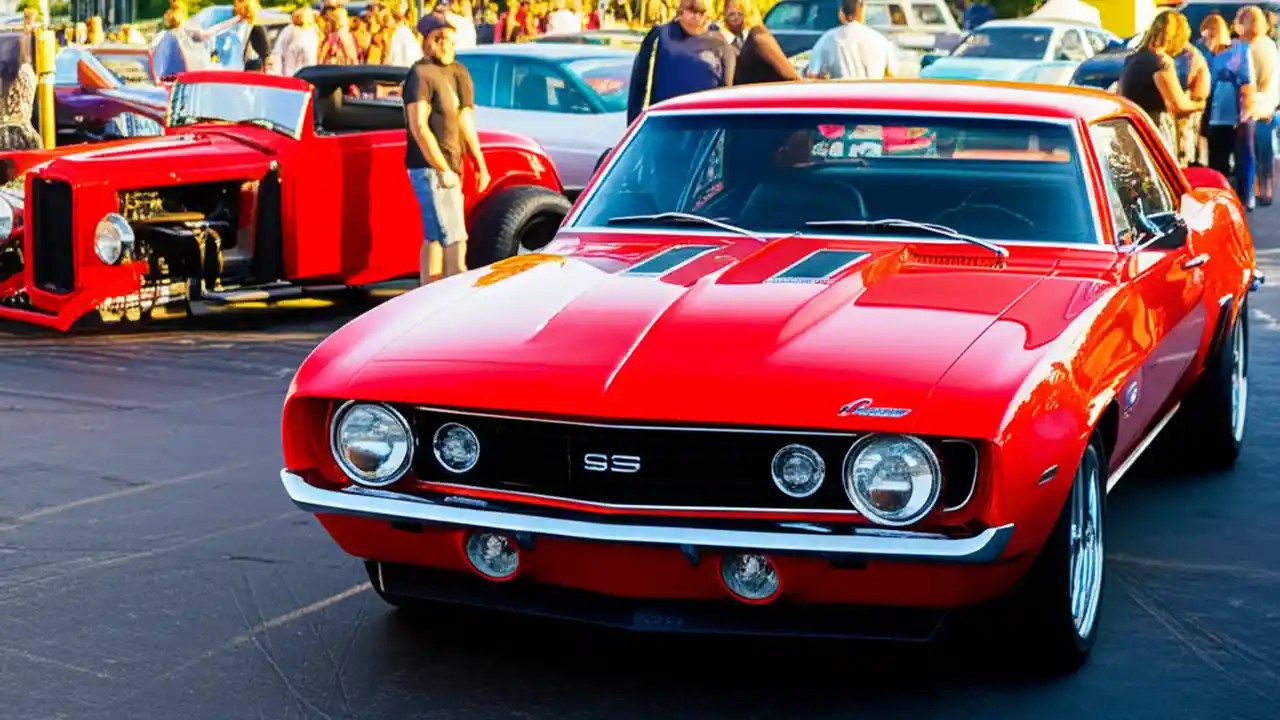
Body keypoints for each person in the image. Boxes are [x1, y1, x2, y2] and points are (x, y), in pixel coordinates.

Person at [403, 13, 490, 284]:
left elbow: (465, 119)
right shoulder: (420, 74)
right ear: (425, 41)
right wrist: (442, 168)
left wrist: (479, 162)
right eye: (438, 38)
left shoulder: (458, 72)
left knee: (435, 234)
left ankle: (429, 292)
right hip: (429, 168)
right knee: (453, 235)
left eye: (449, 38)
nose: (445, 44)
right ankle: (453, 290)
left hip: (454, 163)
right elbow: (418, 126)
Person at [625, 0, 736, 125]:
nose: (696, 18)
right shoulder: (660, 37)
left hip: (706, 128)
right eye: (692, 11)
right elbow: (638, 89)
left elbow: (729, 91)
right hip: (664, 125)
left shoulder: (721, 41)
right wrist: (635, 128)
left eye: (702, 12)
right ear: (681, 10)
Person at [1117, 10, 1204, 155]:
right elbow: (1177, 105)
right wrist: (1199, 104)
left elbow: (1120, 94)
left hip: (1132, 127)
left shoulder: (1132, 59)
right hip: (1154, 128)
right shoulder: (1161, 62)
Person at [1200, 12, 1256, 207]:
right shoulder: (1210, 54)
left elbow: (1246, 84)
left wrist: (1244, 113)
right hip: (1216, 115)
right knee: (1219, 160)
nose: (1204, 41)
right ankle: (1224, 200)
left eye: (1208, 36)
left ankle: (1241, 198)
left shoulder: (1238, 51)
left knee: (1238, 158)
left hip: (1231, 114)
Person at [1237, 6, 1279, 204]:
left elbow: (1260, 80)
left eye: (1241, 20)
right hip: (1264, 106)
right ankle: (1262, 190)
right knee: (1261, 152)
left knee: (1259, 152)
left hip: (1258, 107)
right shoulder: (1266, 44)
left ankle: (1263, 190)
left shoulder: (1257, 46)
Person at [805, 0, 895, 79]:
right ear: (862, 10)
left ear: (841, 12)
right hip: (874, 95)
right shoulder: (880, 39)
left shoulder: (828, 38)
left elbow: (813, 74)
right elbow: (891, 74)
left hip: (842, 95)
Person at [725, 0, 801, 85]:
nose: (736, 18)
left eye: (740, 14)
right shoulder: (723, 41)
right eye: (731, 14)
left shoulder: (757, 36)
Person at [270, 6, 319, 76]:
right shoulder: (312, 34)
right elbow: (310, 60)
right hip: (302, 77)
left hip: (288, 76)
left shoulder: (288, 30)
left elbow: (277, 53)